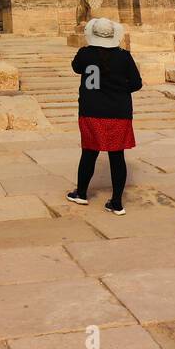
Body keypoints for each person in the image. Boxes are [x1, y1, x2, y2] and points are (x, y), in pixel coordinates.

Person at [67, 17, 142, 215]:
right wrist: (118, 88)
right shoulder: (124, 56)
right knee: (117, 156)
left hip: (91, 111)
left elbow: (75, 67)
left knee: (89, 153)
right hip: (118, 112)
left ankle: (81, 193)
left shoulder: (85, 54)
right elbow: (136, 83)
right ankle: (117, 202)